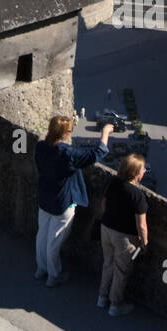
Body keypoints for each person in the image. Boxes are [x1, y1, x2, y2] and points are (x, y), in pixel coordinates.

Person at [35, 115, 114, 287]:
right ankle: (53, 276)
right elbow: (98, 153)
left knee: (42, 235)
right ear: (64, 134)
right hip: (62, 202)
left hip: (44, 197)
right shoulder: (67, 154)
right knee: (54, 242)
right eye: (70, 131)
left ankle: (41, 269)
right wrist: (105, 132)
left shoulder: (40, 147)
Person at [98, 154, 149, 317]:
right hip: (124, 237)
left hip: (106, 228)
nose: (145, 171)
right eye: (143, 169)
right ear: (135, 173)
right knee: (121, 270)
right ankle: (115, 305)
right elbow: (141, 225)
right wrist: (144, 243)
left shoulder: (113, 182)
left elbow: (103, 204)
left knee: (108, 263)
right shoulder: (138, 195)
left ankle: (101, 298)